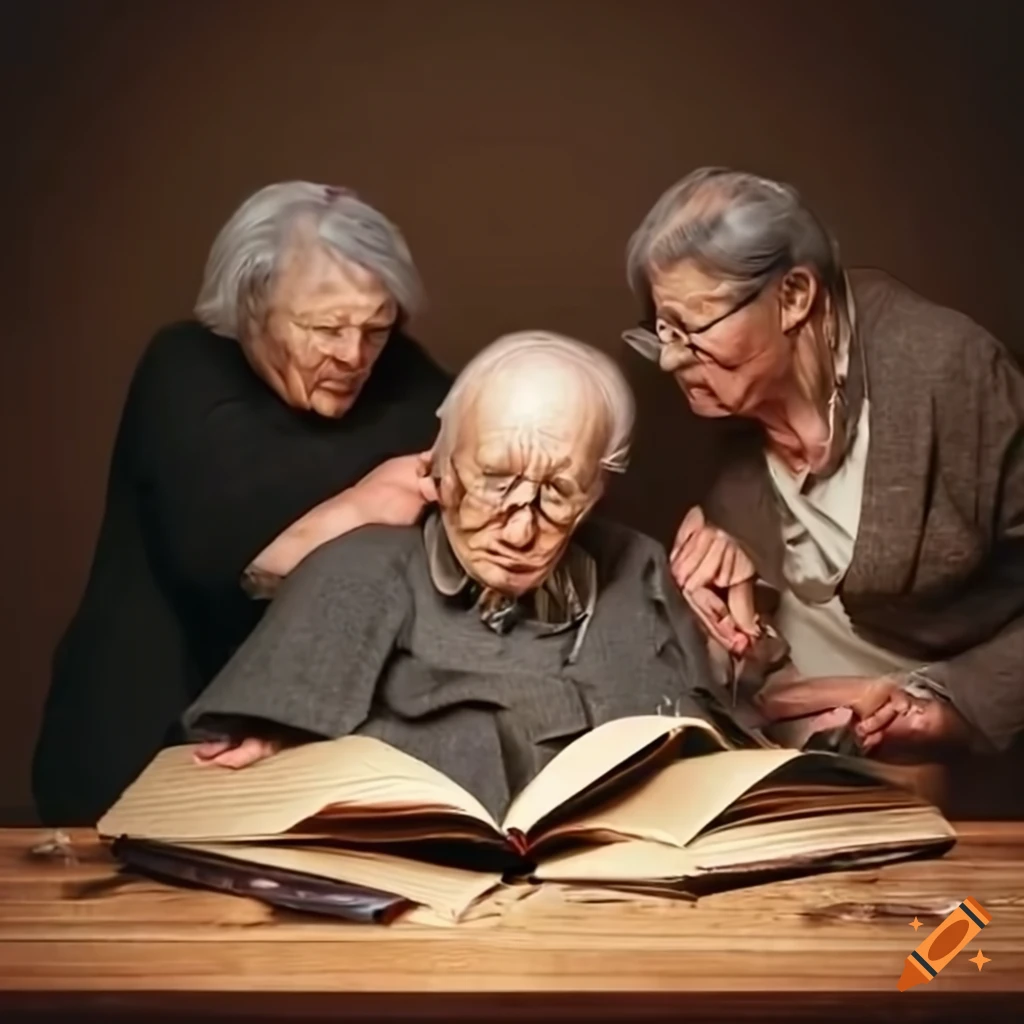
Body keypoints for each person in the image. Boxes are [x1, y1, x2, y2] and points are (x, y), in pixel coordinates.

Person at [180, 331, 759, 820]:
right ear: (440, 466)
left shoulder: (637, 569)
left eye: (558, 494)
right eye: (494, 483)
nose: (518, 534)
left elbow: (710, 747)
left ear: (596, 492)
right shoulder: (362, 567)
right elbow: (278, 726)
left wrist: (724, 653)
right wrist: (283, 737)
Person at [33, 182, 451, 824]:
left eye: (376, 327)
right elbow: (233, 559)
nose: (352, 355)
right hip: (142, 745)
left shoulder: (404, 371)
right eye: (325, 327)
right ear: (251, 305)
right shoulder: (183, 367)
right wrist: (362, 505)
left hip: (312, 756)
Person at [622, 166, 1024, 767]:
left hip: (968, 734)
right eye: (662, 329)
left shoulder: (947, 371)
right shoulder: (722, 405)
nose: (671, 359)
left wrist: (949, 708)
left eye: (693, 328)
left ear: (793, 297)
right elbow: (758, 627)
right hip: (815, 741)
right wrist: (728, 622)